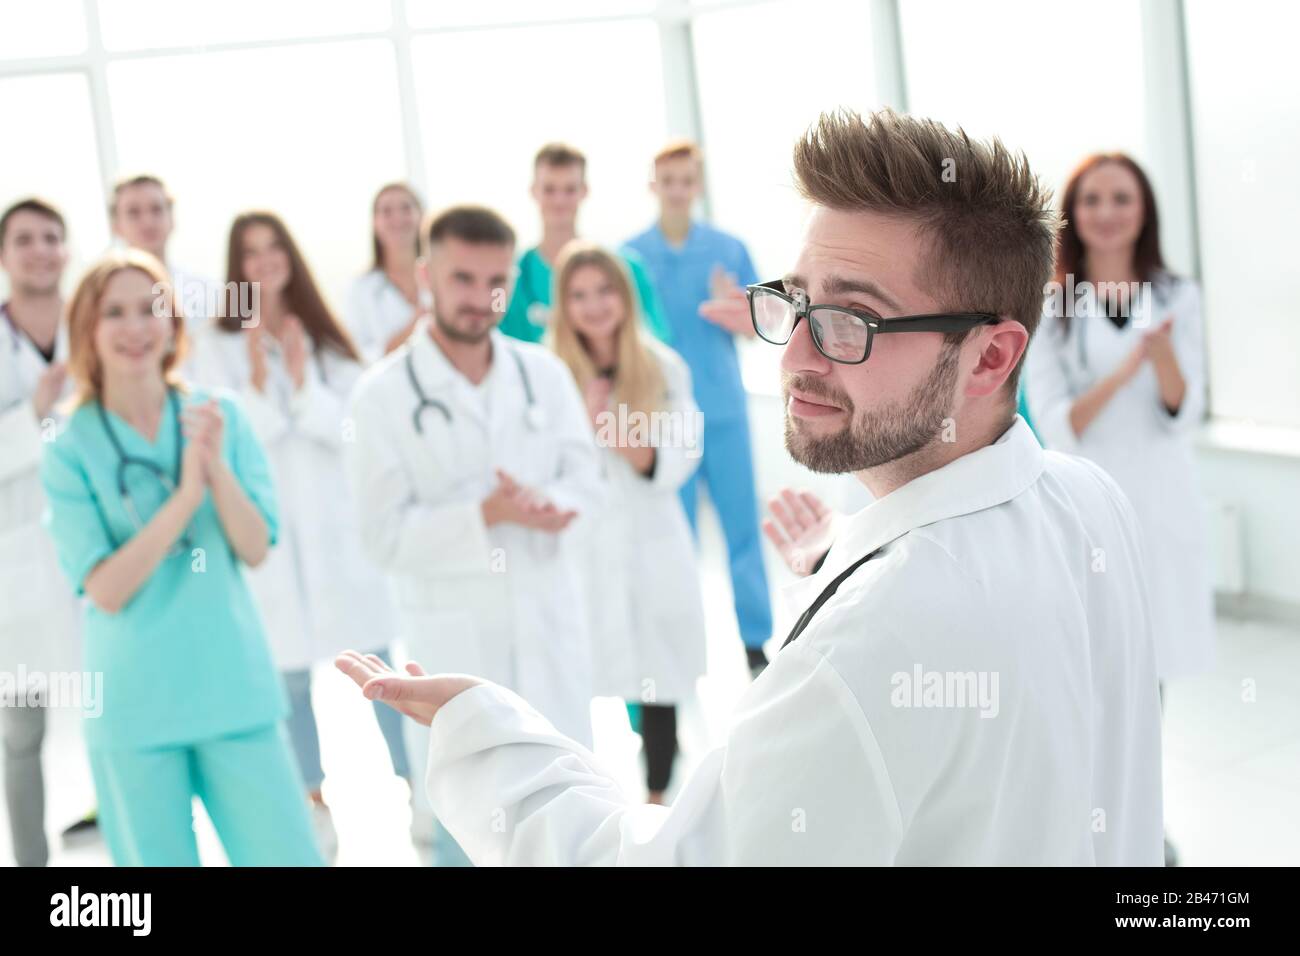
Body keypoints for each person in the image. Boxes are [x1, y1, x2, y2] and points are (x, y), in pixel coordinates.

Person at [337, 109, 1164, 866]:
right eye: (797, 303)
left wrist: (487, 737)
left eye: (853, 321)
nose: (796, 356)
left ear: (990, 356)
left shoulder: (870, 642)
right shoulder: (1089, 504)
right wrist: (851, 557)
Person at [41, 249, 321, 866]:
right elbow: (106, 589)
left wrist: (213, 468)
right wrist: (185, 497)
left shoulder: (219, 417)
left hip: (233, 691)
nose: (136, 327)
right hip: (133, 707)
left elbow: (254, 546)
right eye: (114, 312)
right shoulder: (68, 444)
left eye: (150, 309)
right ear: (87, 327)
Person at [343, 205, 603, 865]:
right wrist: (483, 514)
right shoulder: (380, 396)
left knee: (570, 829)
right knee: (469, 835)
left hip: (548, 637)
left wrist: (550, 505)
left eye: (496, 281)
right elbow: (381, 538)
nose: (480, 298)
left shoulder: (542, 372)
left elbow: (588, 480)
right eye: (462, 278)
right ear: (427, 275)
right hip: (456, 649)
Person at [187, 211, 411, 859]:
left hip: (338, 535)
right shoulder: (216, 346)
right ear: (238, 265)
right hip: (272, 539)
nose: (263, 262)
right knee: (287, 681)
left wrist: (302, 381)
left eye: (273, 249)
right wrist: (259, 387)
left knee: (378, 666)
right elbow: (223, 435)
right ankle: (315, 803)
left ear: (290, 257)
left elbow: (356, 427)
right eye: (249, 253)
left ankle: (415, 787)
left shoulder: (328, 338)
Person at [1025, 153, 1213, 685]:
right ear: (1072, 214)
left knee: (1156, 656)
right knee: (1095, 659)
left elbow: (1184, 413)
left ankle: (1147, 771)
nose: (1107, 211)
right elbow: (1058, 423)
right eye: (1091, 199)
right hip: (1086, 496)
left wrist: (1164, 358)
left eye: (1122, 198)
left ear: (1144, 211)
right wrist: (1130, 367)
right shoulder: (1050, 305)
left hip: (1162, 493)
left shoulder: (1178, 296)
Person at [548, 240, 706, 804]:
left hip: (650, 542)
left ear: (625, 295)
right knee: (578, 677)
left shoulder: (662, 366)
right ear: (563, 304)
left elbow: (676, 458)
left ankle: (658, 799)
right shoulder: (547, 372)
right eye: (579, 294)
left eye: (605, 290)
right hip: (580, 548)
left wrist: (608, 427)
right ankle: (585, 806)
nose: (594, 305)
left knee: (658, 674)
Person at [625, 140, 772, 676]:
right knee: (672, 536)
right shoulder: (630, 256)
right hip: (665, 420)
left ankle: (756, 643)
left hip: (724, 412)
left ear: (699, 185)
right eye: (669, 181)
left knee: (742, 529)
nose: (679, 190)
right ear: (654, 185)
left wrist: (737, 311)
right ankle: (679, 649)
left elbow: (763, 328)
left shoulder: (729, 250)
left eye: (688, 180)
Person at [0, 198, 81, 866]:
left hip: (95, 558)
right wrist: (32, 413)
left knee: (120, 715)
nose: (39, 250)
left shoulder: (99, 329)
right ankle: (32, 866)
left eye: (51, 238)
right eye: (24, 239)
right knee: (22, 733)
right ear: (5, 255)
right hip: (16, 564)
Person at [499, 144, 670, 345]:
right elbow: (493, 335)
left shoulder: (628, 268)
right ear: (534, 191)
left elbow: (654, 340)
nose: (559, 200)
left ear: (584, 191)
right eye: (549, 189)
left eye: (570, 189)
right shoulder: (506, 278)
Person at [109, 174, 218, 332]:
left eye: (156, 209)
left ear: (172, 219)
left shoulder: (209, 293)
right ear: (116, 226)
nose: (147, 221)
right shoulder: (98, 297)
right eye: (133, 212)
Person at [344, 182, 425, 362]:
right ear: (375, 223)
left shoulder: (444, 276)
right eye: (386, 211)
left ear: (421, 216)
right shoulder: (360, 288)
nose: (397, 218)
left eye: (406, 208)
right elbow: (358, 355)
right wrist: (415, 326)